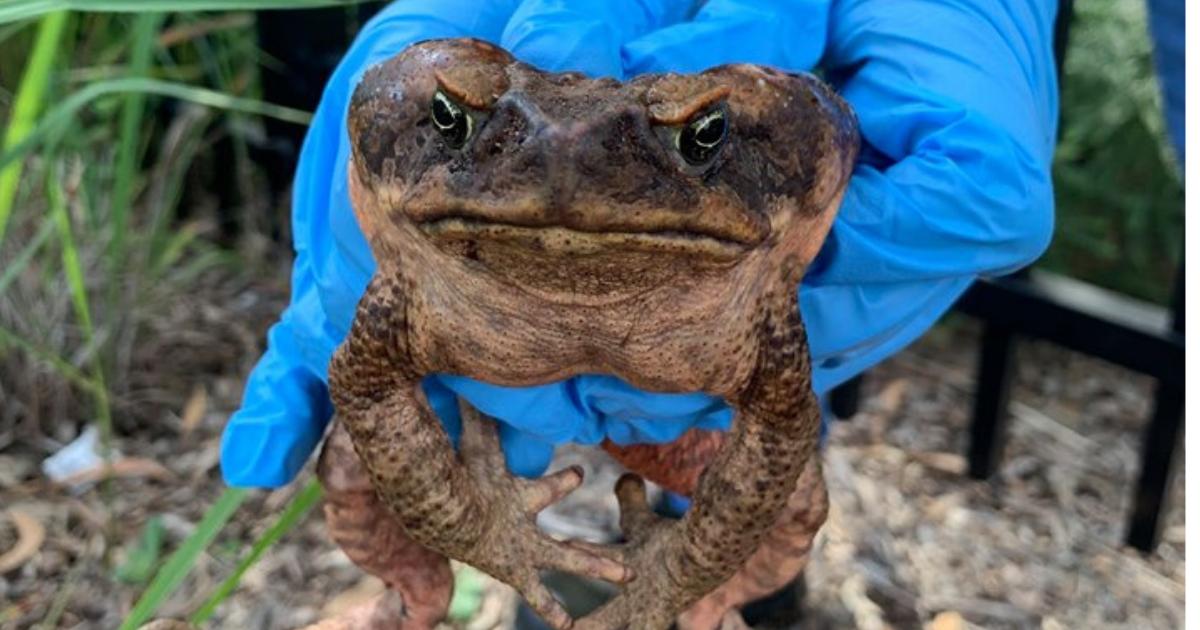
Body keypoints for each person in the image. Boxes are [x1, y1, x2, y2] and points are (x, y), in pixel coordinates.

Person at [221, 0, 1058, 494]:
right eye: (456, 123)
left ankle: (727, 591)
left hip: (727, 282)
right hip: (478, 306)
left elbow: (775, 443)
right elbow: (369, 387)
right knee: (449, 466)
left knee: (749, 471)